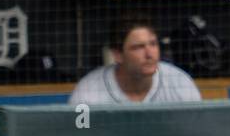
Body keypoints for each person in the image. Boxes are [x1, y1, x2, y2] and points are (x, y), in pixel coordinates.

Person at [69, 20, 202, 105]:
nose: (149, 54)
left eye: (153, 44)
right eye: (138, 47)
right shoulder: (88, 93)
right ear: (118, 55)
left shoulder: (180, 83)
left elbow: (198, 131)